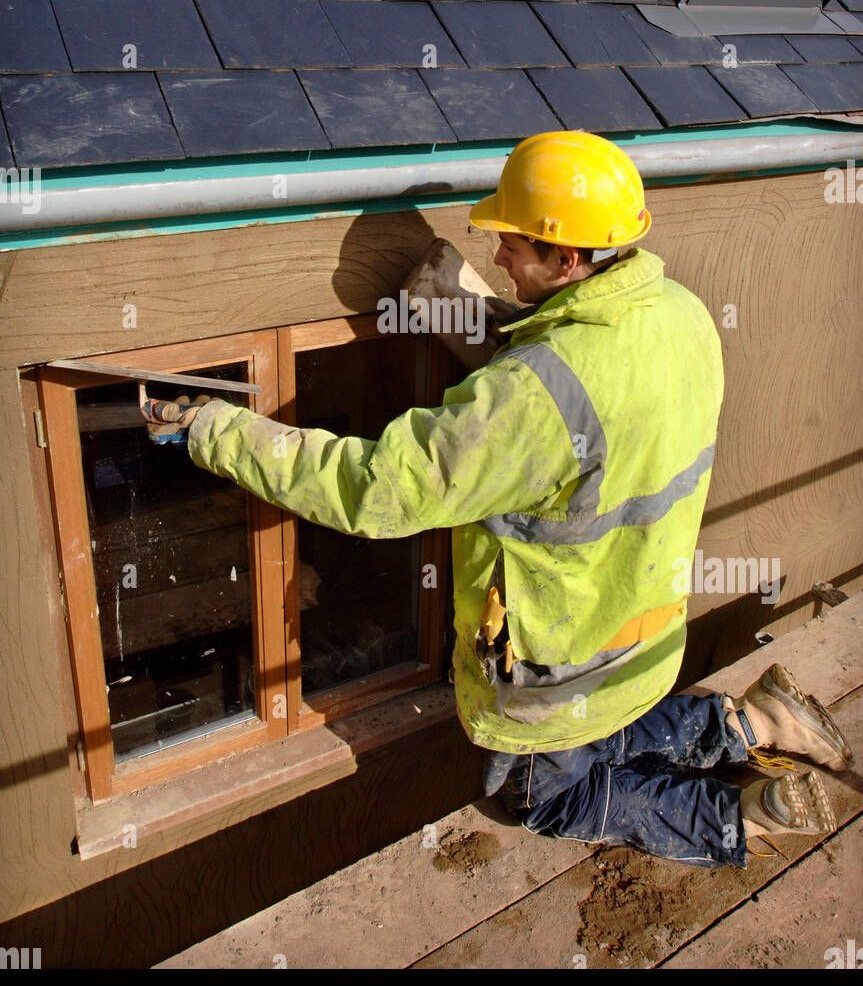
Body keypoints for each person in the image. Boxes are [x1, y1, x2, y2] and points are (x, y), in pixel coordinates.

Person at [142, 131, 851, 865]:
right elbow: (582, 392)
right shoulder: (677, 313)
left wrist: (216, 429)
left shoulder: (534, 394)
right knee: (593, 735)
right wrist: (487, 329)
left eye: (512, 244)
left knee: (542, 796)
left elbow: (377, 489)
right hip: (638, 632)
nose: (498, 257)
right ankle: (749, 726)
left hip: (557, 664)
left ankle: (740, 817)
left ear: (569, 259)